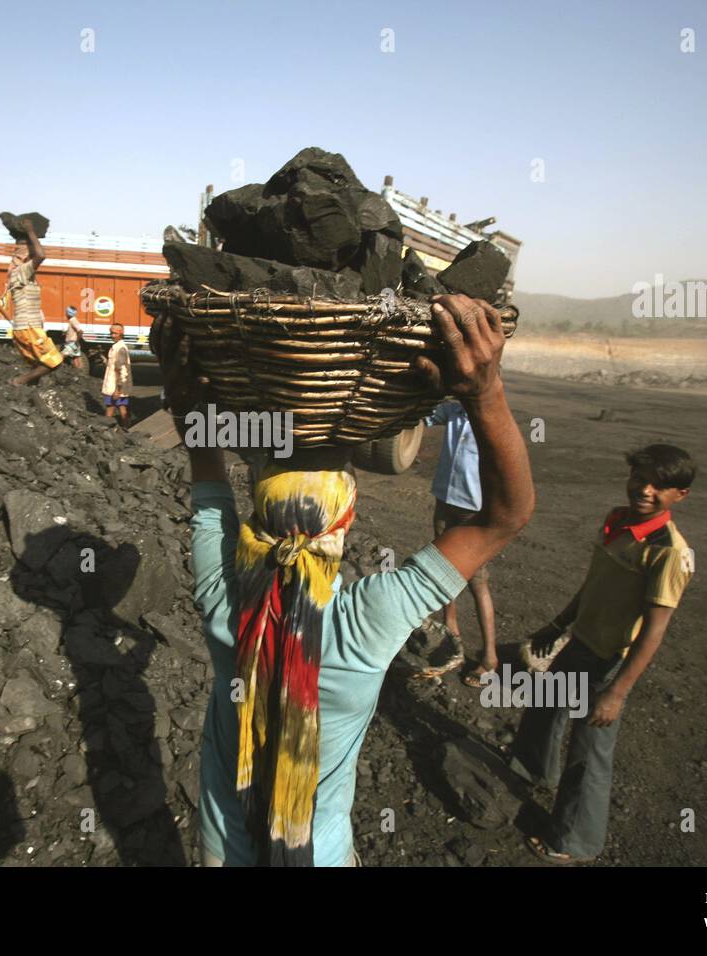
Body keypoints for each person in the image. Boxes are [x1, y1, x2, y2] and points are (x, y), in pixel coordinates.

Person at [158, 293, 534, 866]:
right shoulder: (368, 622)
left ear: (256, 519)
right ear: (344, 518)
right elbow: (506, 515)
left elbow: (206, 473)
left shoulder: (225, 598)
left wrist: (188, 403)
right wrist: (486, 394)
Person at [507, 443, 695, 865]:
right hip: (581, 642)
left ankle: (573, 841)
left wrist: (617, 693)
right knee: (544, 707)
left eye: (659, 485)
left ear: (679, 495)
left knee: (589, 754)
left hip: (609, 663)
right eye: (639, 478)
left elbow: (654, 630)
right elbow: (593, 584)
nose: (645, 489)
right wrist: (557, 626)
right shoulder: (616, 520)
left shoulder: (669, 551)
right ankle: (531, 771)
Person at [414, 399, 498, 686]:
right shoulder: (452, 411)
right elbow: (418, 415)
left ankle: (489, 657)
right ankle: (451, 628)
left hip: (473, 509)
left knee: (477, 580)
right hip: (444, 500)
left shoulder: (490, 416)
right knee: (442, 569)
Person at [0, 218, 62, 386]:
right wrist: (31, 231)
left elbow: (35, 253)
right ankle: (18, 381)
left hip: (24, 327)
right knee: (54, 361)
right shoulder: (21, 270)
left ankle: (29, 392)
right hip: (29, 327)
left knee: (38, 366)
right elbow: (41, 255)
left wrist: (29, 234)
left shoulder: (18, 271)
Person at [102, 322, 131, 426]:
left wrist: (117, 390)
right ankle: (126, 429)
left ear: (121, 333)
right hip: (116, 386)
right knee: (122, 407)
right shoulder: (116, 346)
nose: (113, 335)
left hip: (116, 387)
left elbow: (121, 370)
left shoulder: (120, 348)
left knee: (110, 408)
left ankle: (105, 429)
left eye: (115, 333)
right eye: (111, 333)